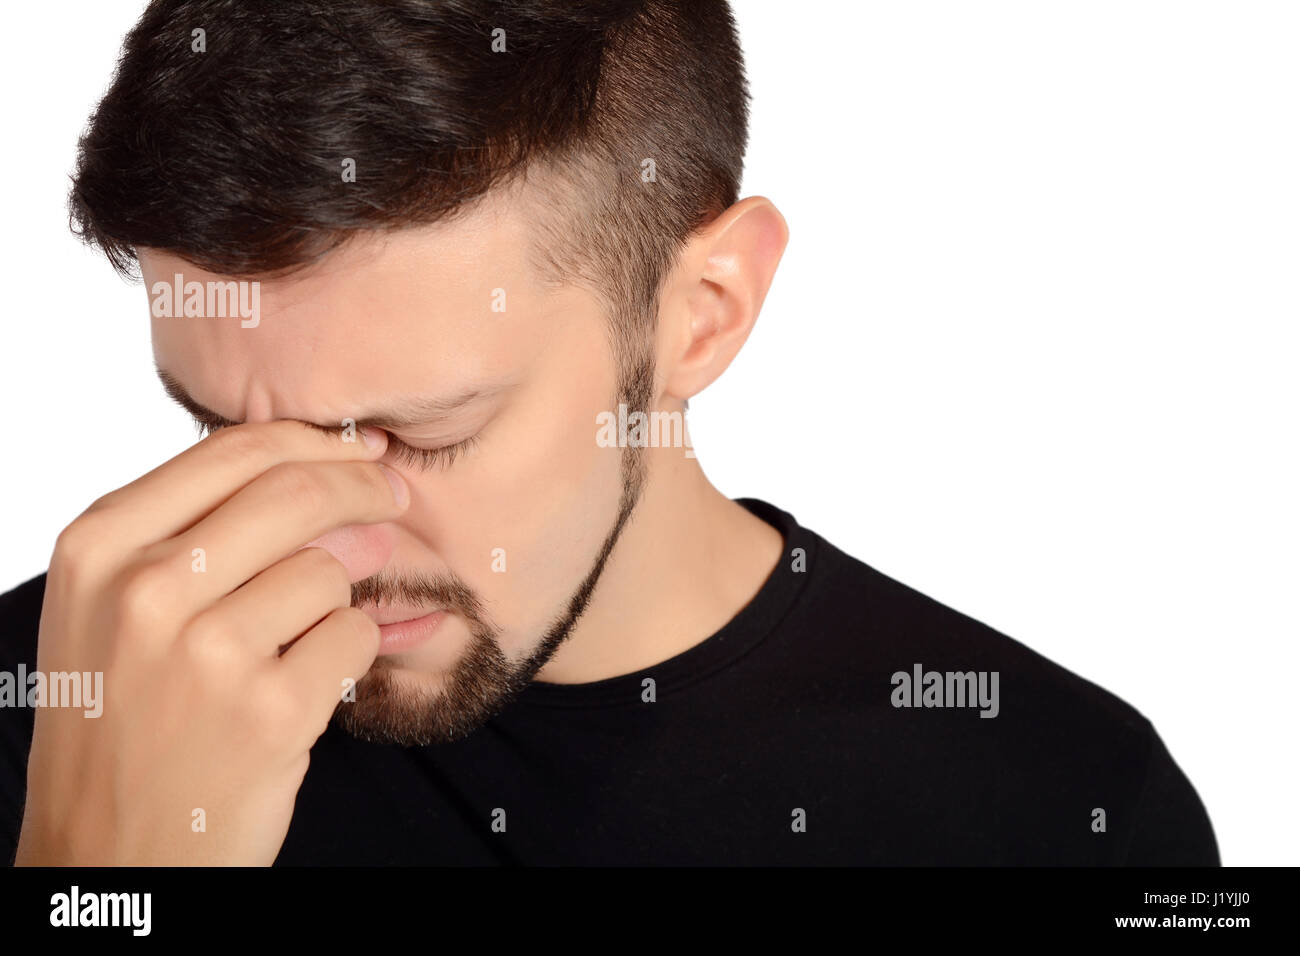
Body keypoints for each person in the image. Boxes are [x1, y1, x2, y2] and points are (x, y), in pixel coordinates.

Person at [0, 0, 1216, 865]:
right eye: (215, 424)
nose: (320, 557)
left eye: (420, 433)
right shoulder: (64, 701)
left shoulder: (1052, 803)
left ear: (703, 312)